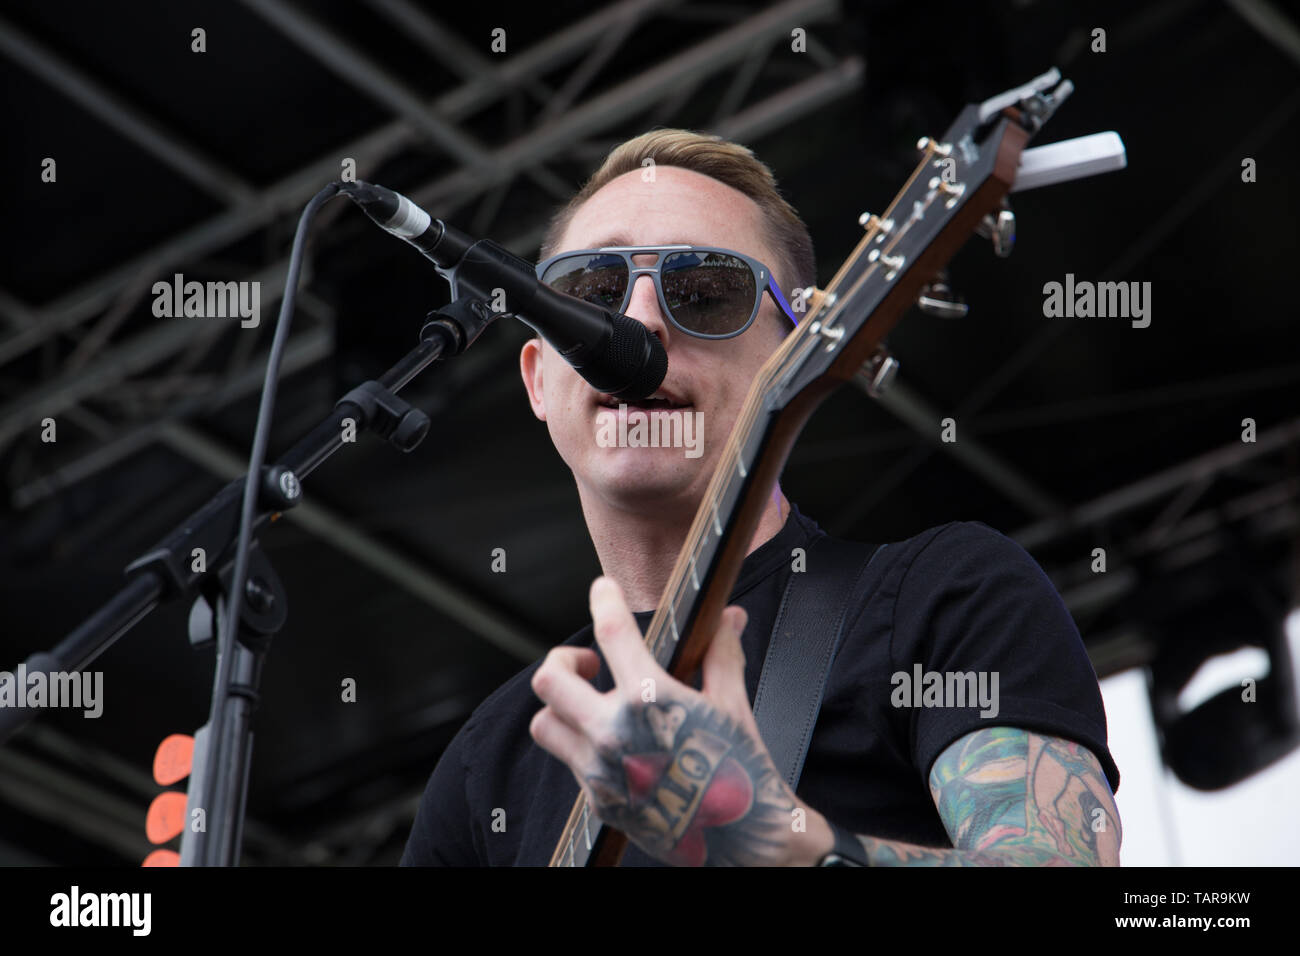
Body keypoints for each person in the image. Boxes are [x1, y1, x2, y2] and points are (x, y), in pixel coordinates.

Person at [401, 129, 1122, 866]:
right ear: (536, 379)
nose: (637, 323)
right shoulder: (486, 763)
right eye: (590, 292)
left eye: (705, 294)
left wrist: (764, 838)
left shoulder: (945, 597)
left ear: (798, 349)